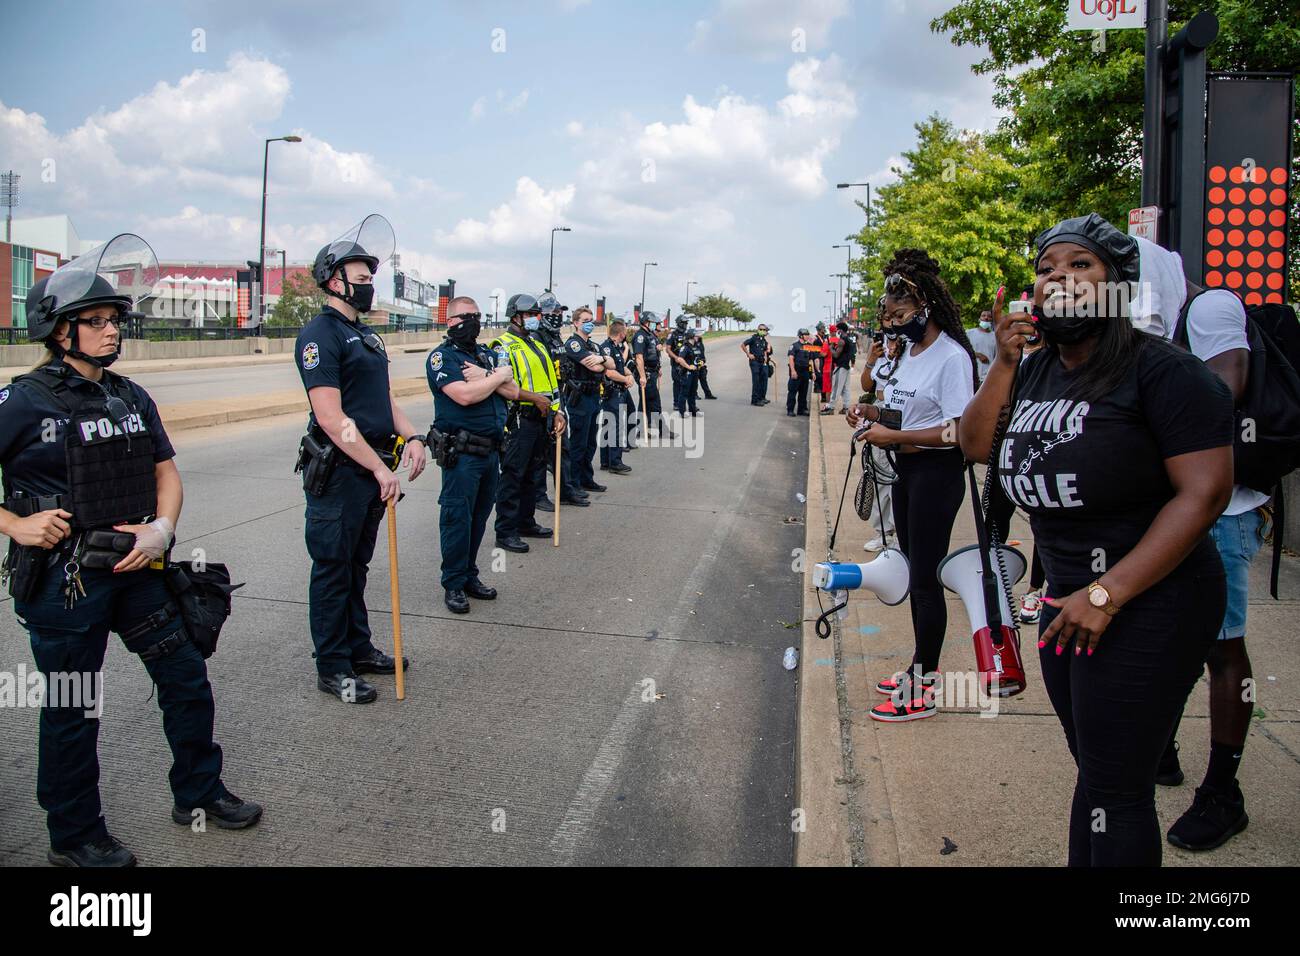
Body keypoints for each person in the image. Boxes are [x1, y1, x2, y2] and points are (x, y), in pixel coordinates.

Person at [960, 213, 1233, 867]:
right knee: (1101, 773)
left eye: (1080, 265)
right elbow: (975, 445)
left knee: (1117, 785)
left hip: (1151, 601)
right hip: (1067, 602)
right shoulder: (1036, 372)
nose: (1058, 277)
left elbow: (1206, 494)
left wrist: (1109, 593)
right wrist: (1004, 361)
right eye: (1047, 267)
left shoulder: (1164, 373)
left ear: (1118, 284)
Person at [2, 240, 261, 867]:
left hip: (138, 567)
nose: (111, 329)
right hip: (67, 585)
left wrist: (162, 533)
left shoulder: (130, 395)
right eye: (95, 321)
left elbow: (166, 472)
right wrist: (14, 525)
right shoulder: (25, 400)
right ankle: (74, 836)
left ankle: (198, 792)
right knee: (72, 709)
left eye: (115, 319)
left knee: (186, 680)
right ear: (58, 329)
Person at [1134, 237, 1269, 852]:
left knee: (1223, 647)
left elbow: (1225, 390)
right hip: (1178, 505)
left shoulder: (1210, 308)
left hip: (1223, 509)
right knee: (1175, 632)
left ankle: (1223, 793)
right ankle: (1163, 752)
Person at [844, 249, 978, 722]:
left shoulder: (952, 358)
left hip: (935, 478)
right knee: (914, 571)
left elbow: (959, 431)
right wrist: (869, 413)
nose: (894, 323)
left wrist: (895, 436)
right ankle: (921, 665)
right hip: (905, 473)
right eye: (890, 315)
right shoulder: (908, 355)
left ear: (927, 308)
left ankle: (924, 686)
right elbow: (901, 409)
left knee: (925, 582)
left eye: (902, 315)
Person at [295, 217, 424, 704]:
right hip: (341, 471)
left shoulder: (367, 336)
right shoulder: (319, 335)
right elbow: (331, 417)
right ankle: (332, 665)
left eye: (372, 279)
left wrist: (413, 436)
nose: (370, 286)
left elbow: (382, 400)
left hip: (371, 466)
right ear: (335, 281)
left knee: (356, 567)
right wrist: (375, 467)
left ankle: (358, 647)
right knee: (332, 569)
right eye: (362, 279)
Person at [427, 298, 513, 614]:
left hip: (491, 452)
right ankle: (453, 583)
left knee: (479, 519)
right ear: (451, 321)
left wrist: (487, 375)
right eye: (468, 317)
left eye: (478, 316)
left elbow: (514, 391)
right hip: (461, 455)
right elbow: (464, 395)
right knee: (456, 520)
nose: (474, 322)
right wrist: (496, 377)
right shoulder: (442, 357)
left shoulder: (484, 355)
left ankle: (469, 575)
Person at [491, 294, 568, 554]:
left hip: (542, 418)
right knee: (513, 475)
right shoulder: (502, 345)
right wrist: (534, 398)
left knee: (533, 475)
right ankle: (506, 531)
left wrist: (557, 412)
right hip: (519, 419)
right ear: (515, 316)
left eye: (537, 314)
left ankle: (526, 522)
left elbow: (551, 383)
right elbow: (503, 385)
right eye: (530, 314)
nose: (536, 318)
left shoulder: (536, 343)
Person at [533, 293, 584, 512]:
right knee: (541, 452)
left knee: (562, 447)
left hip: (559, 397)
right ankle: (538, 495)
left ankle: (565, 489)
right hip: (542, 401)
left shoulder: (555, 336)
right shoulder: (537, 336)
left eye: (559, 312)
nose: (557, 316)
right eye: (553, 312)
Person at [858, 326, 902, 552]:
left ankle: (899, 535)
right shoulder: (882, 356)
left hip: (902, 421)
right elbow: (867, 385)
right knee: (879, 478)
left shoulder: (911, 356)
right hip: (879, 415)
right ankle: (883, 533)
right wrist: (871, 360)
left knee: (898, 481)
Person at [563, 306, 613, 494]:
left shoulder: (594, 346)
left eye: (591, 320)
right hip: (580, 398)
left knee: (591, 443)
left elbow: (611, 364)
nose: (589, 324)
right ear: (576, 323)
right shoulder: (573, 344)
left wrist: (600, 359)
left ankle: (586, 479)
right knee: (578, 443)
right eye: (585, 321)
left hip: (593, 396)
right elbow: (595, 368)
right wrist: (602, 361)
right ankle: (573, 483)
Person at [598, 319, 635, 475]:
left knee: (610, 426)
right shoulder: (606, 348)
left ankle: (606, 461)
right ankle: (615, 462)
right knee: (615, 427)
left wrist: (629, 374)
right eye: (625, 331)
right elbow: (609, 372)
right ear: (621, 333)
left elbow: (621, 366)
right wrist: (625, 380)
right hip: (611, 392)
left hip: (617, 391)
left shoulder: (615, 347)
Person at [632, 311, 669, 438]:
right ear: (646, 322)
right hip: (646, 373)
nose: (655, 324)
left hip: (652, 371)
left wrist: (657, 367)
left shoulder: (651, 335)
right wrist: (642, 376)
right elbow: (639, 357)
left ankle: (640, 430)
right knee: (654, 402)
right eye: (653, 322)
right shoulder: (640, 336)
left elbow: (653, 354)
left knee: (646, 403)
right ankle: (662, 430)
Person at [821, 321, 854, 414]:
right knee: (845, 388)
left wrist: (831, 347)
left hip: (840, 367)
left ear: (840, 330)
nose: (837, 331)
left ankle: (831, 408)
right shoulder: (849, 340)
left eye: (837, 329)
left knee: (836, 387)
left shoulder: (842, 340)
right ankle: (846, 407)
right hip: (846, 366)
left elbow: (835, 355)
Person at [786, 329, 816, 416]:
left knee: (803, 392)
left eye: (808, 334)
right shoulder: (794, 346)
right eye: (805, 334)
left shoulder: (810, 346)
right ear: (800, 335)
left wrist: (812, 372)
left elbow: (810, 361)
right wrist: (793, 371)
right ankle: (790, 410)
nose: (807, 336)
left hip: (806, 371)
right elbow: (791, 359)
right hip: (796, 371)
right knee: (792, 391)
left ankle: (801, 409)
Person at [666, 315, 692, 416]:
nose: (685, 324)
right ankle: (676, 403)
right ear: (679, 323)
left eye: (686, 323)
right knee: (677, 383)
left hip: (686, 363)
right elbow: (668, 349)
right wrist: (676, 358)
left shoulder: (687, 334)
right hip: (676, 363)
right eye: (684, 322)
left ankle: (688, 404)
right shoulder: (673, 334)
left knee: (688, 384)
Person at [742, 325, 773, 405]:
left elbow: (767, 351)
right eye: (761, 329)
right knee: (756, 381)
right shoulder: (753, 338)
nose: (763, 331)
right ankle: (755, 400)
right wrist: (748, 354)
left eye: (764, 330)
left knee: (763, 380)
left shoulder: (764, 340)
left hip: (762, 362)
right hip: (754, 362)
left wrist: (767, 359)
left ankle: (761, 398)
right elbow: (743, 345)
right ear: (758, 330)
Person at [967, 310, 997, 382]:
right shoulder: (969, 333)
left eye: (989, 316)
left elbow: (997, 356)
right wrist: (978, 355)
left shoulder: (995, 337)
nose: (986, 318)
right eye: (983, 316)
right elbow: (962, 350)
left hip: (988, 378)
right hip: (971, 376)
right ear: (979, 319)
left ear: (992, 320)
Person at [680, 328, 703, 416]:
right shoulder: (685, 347)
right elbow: (680, 359)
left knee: (693, 392)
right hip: (686, 373)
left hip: (695, 373)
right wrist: (688, 366)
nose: (698, 337)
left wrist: (701, 362)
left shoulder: (696, 346)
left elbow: (698, 357)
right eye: (696, 335)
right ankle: (682, 412)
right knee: (684, 392)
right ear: (691, 336)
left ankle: (693, 410)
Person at [694, 330, 718, 399]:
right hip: (694, 365)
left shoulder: (700, 343)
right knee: (694, 381)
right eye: (697, 335)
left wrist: (703, 361)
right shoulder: (691, 344)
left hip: (701, 364)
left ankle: (708, 394)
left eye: (699, 335)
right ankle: (694, 394)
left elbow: (702, 354)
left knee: (703, 380)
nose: (699, 336)